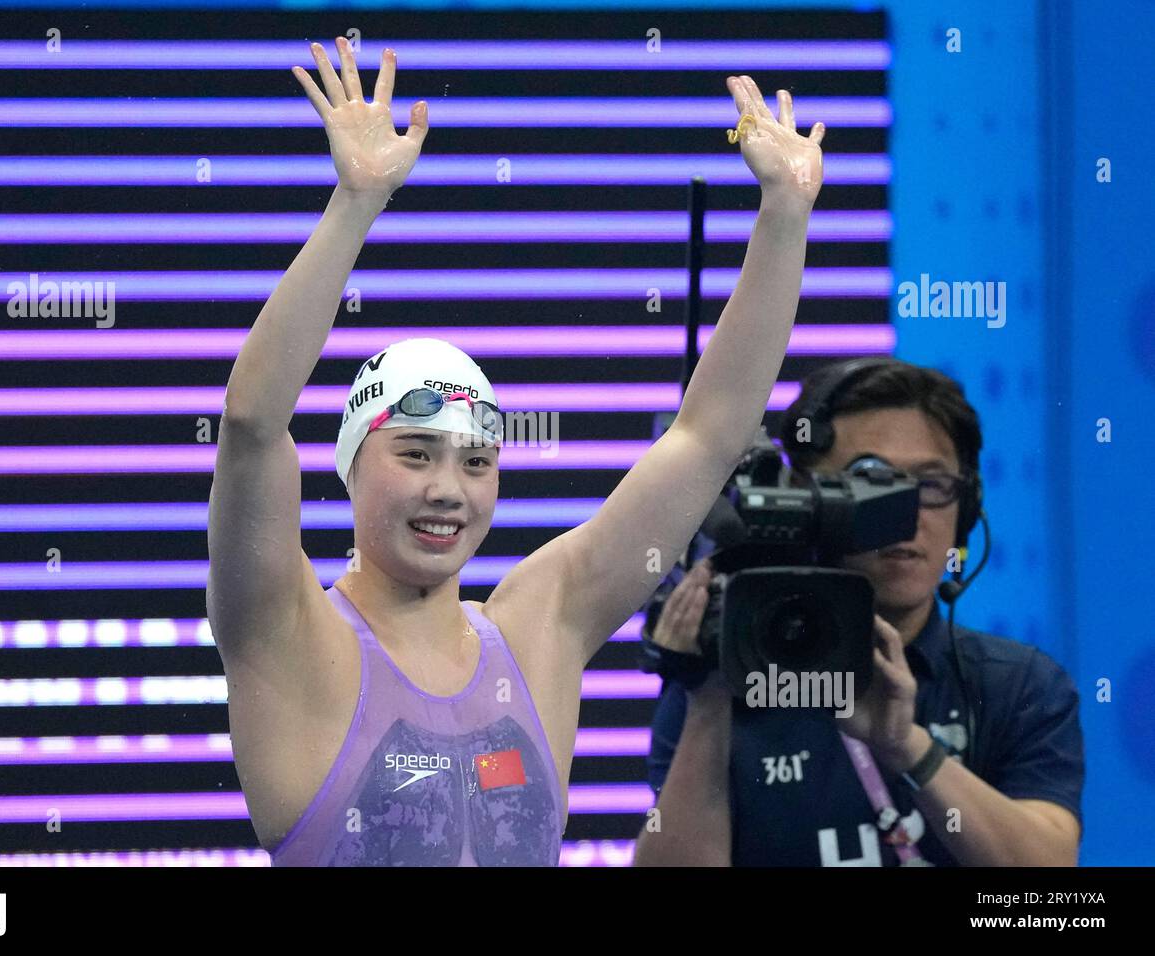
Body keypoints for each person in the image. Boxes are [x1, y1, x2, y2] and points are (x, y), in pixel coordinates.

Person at [206, 36, 826, 865]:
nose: (448, 491)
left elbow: (707, 435)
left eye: (474, 461)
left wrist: (785, 215)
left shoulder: (541, 624)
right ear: (350, 466)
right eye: (416, 454)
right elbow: (251, 423)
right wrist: (355, 204)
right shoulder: (284, 629)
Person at [634, 358, 1084, 866]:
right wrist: (708, 704)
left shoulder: (1017, 687)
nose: (907, 515)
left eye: (932, 485)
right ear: (802, 497)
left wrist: (907, 748)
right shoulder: (726, 676)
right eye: (870, 480)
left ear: (968, 506)